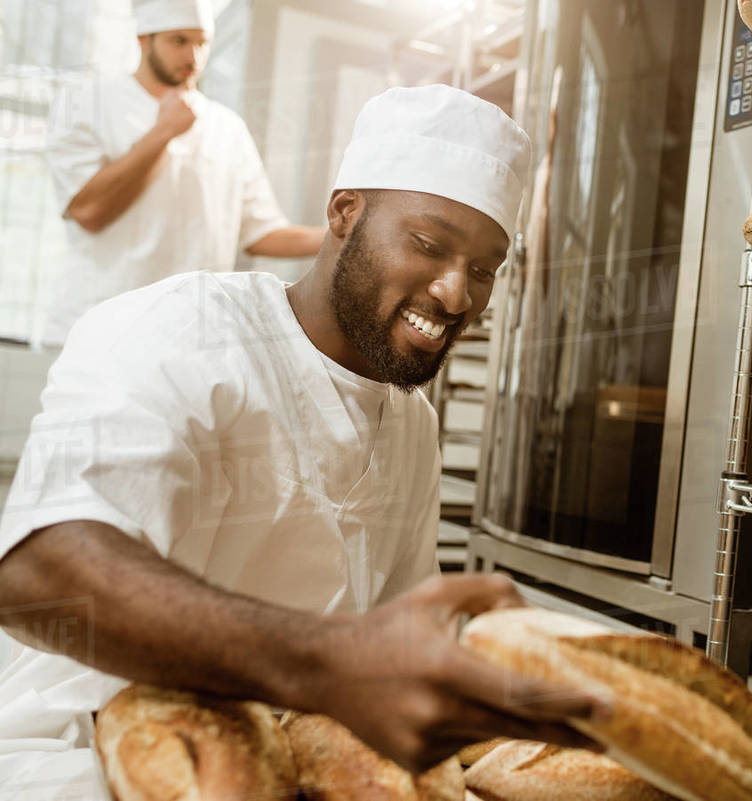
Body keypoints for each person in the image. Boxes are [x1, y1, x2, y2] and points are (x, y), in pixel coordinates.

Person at [0, 85, 608, 799]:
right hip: (78, 758)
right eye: (428, 244)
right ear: (344, 213)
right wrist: (329, 662)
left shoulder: (413, 424)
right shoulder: (178, 330)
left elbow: (397, 642)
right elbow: (38, 572)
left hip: (288, 767)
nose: (455, 293)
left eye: (483, 268)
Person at [38, 0, 325, 348]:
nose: (193, 57)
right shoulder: (88, 102)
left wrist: (345, 238)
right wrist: (163, 131)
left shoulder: (227, 127)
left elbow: (261, 232)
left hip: (190, 339)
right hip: (99, 330)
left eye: (201, 43)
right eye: (179, 41)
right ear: (145, 39)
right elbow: (89, 212)